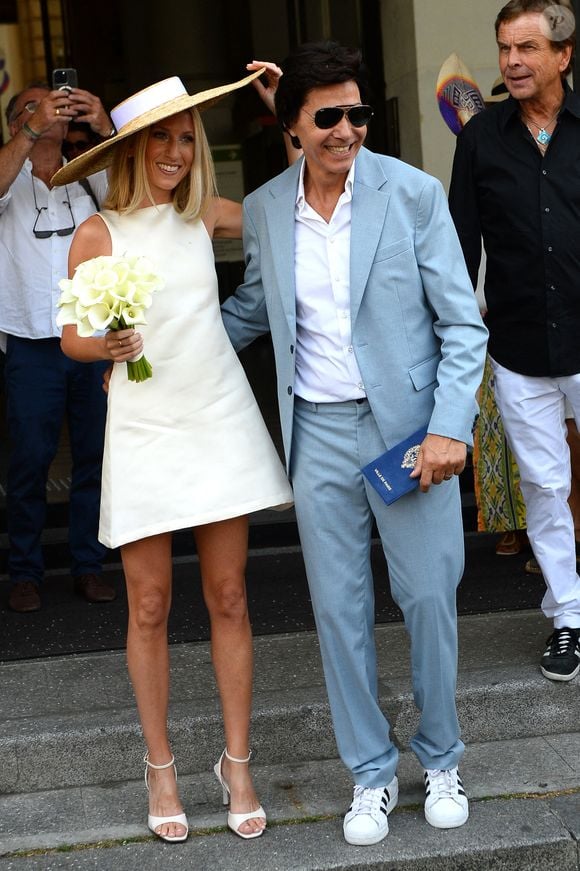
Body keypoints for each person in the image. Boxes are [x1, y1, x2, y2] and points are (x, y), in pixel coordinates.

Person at [221, 41, 488, 846]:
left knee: (429, 596)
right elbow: (253, 309)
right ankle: (370, 772)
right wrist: (156, 350)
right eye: (328, 116)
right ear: (293, 126)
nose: (346, 130)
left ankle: (441, 757)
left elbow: (462, 323)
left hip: (410, 432)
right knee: (339, 612)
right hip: (320, 433)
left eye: (357, 113)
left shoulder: (410, 193)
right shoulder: (268, 206)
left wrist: (449, 426)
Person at [54, 66, 293, 842]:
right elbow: (71, 338)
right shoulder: (99, 232)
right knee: (149, 603)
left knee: (230, 596)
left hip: (217, 415)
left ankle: (238, 761)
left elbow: (294, 199)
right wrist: (108, 345)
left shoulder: (201, 217)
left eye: (185, 138)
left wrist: (278, 108)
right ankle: (160, 766)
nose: (176, 151)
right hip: (146, 425)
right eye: (161, 137)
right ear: (130, 147)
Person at [449, 0, 580, 681]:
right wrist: (457, 337)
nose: (511, 62)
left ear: (564, 54)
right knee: (545, 485)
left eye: (526, 48)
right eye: (504, 48)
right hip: (520, 348)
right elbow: (458, 248)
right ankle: (569, 617)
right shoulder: (480, 140)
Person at [0, 81, 116, 612]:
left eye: (55, 104)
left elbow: (136, 196)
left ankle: (89, 565)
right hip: (30, 343)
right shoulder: (9, 175)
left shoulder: (90, 173)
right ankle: (24, 570)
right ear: (13, 124)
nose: (49, 111)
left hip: (91, 340)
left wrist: (104, 127)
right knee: (30, 459)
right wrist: (31, 126)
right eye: (32, 106)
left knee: (96, 454)